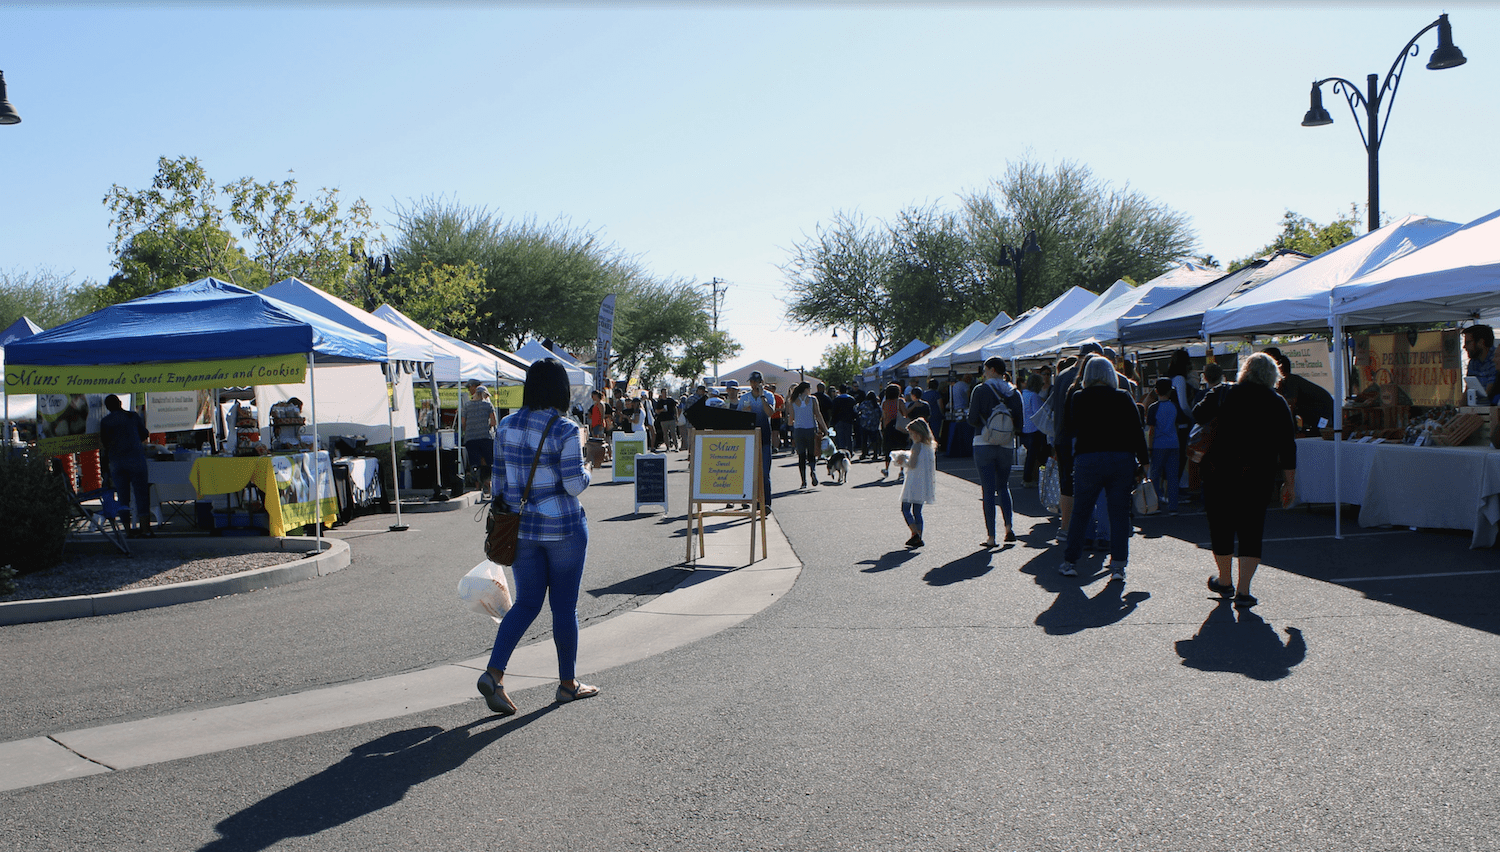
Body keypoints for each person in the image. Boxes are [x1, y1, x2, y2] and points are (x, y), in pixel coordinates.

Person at [478, 358, 597, 716]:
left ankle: (494, 672)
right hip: (563, 529)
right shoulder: (565, 429)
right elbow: (575, 485)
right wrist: (590, 464)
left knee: (527, 603)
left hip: (521, 531)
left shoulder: (507, 426)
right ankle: (567, 684)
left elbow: (498, 485)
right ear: (560, 389)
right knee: (564, 607)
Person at [1193, 352, 1296, 608]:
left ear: (1245, 371)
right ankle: (1244, 590)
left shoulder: (1224, 393)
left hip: (1219, 473)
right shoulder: (1277, 402)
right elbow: (1288, 447)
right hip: (1257, 476)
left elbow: (1197, 415)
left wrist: (1215, 391)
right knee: (1251, 530)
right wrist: (1289, 483)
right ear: (1273, 375)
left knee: (1221, 527)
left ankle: (1225, 580)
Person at [1057, 355, 1150, 582]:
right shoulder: (1123, 397)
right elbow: (1136, 431)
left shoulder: (1079, 398)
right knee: (1118, 514)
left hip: (1087, 458)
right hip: (1121, 459)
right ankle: (1118, 565)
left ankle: (1070, 561)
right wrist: (1144, 460)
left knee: (1081, 511)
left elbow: (1070, 428)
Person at [969, 357, 1025, 548]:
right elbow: (1020, 423)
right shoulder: (1014, 392)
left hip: (983, 441)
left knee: (987, 489)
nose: (984, 373)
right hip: (1006, 443)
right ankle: (1009, 528)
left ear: (992, 370)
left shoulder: (981, 390)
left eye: (985, 369)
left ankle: (991, 537)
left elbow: (972, 418)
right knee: (1003, 486)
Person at [99, 394, 153, 538]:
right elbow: (144, 434)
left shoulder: (105, 421)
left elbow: (104, 443)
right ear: (120, 403)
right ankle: (145, 530)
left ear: (107, 407)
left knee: (123, 497)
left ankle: (128, 531)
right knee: (141, 495)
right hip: (136, 460)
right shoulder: (133, 417)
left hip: (117, 462)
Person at [735, 370, 778, 513]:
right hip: (749, 439)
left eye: (756, 382)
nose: (754, 385)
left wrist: (762, 397)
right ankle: (753, 501)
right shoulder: (745, 397)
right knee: (751, 472)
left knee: (765, 473)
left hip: (765, 438)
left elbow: (770, 412)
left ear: (761, 383)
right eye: (752, 382)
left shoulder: (768, 396)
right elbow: (738, 417)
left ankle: (766, 504)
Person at [894, 417, 938, 548]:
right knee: (918, 511)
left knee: (905, 508)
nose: (911, 437)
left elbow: (912, 464)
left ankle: (915, 533)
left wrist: (902, 460)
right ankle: (919, 535)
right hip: (924, 483)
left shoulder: (917, 445)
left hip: (913, 482)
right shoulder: (929, 446)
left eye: (912, 434)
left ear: (918, 433)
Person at [1145, 377, 1185, 515]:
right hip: (1174, 443)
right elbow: (1177, 425)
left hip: (1158, 445)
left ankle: (1155, 504)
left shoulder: (1153, 408)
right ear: (1170, 391)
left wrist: (1149, 448)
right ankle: (1173, 506)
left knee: (1155, 475)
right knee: (1172, 476)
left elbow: (1152, 430)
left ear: (1156, 391)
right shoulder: (1174, 406)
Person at [1270, 353, 1335, 436]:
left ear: (1280, 368)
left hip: (1322, 411)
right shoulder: (1287, 381)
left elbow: (1290, 407)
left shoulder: (1291, 381)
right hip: (1320, 410)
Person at [785, 380, 830, 488]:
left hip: (798, 430)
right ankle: (813, 470)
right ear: (806, 389)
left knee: (801, 455)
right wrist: (825, 429)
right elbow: (818, 415)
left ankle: (803, 481)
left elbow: (791, 419)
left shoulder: (793, 400)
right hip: (810, 429)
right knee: (811, 453)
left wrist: (793, 422)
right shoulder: (812, 399)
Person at [463, 385, 498, 498]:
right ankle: (489, 485)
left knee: (474, 463)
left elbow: (463, 423)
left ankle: (477, 488)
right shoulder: (488, 405)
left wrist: (469, 430)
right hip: (485, 437)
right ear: (484, 395)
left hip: (470, 438)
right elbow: (494, 421)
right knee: (488, 463)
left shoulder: (467, 405)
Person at [1020, 372, 1048, 486]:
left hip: (1025, 428)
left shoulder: (1023, 394)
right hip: (1034, 429)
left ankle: (1027, 477)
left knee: (1030, 455)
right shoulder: (1034, 396)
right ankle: (1029, 478)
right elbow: (1038, 413)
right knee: (1035, 455)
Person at [1462, 324, 1500, 405]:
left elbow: (1488, 393)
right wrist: (1460, 411)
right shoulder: (1473, 362)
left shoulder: (1496, 360)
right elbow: (1468, 390)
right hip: (1480, 410)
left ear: (1481, 342)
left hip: (1492, 410)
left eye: (1468, 342)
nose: (1464, 346)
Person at [879, 383, 905, 478]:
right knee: (901, 449)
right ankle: (901, 470)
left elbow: (884, 417)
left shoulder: (885, 403)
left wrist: (884, 428)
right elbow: (905, 413)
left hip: (889, 428)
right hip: (899, 428)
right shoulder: (900, 401)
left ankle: (886, 469)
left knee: (888, 449)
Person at [831, 385, 857, 452]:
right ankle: (850, 452)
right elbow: (854, 411)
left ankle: (841, 452)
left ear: (839, 390)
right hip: (849, 421)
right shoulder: (851, 399)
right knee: (849, 437)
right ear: (847, 390)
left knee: (840, 438)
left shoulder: (836, 400)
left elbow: (833, 412)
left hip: (838, 421)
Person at [856, 391, 881, 460]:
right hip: (874, 424)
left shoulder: (864, 403)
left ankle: (864, 454)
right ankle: (875, 454)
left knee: (864, 440)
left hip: (865, 424)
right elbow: (880, 412)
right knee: (874, 440)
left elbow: (857, 410)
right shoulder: (876, 404)